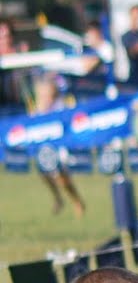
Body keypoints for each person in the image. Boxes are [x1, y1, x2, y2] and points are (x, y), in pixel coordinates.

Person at [30, 75, 87, 217]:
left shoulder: (60, 107)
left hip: (60, 147)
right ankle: (58, 199)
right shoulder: (38, 109)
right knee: (44, 174)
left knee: (62, 178)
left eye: (46, 95)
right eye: (41, 96)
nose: (44, 99)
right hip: (44, 147)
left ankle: (76, 201)